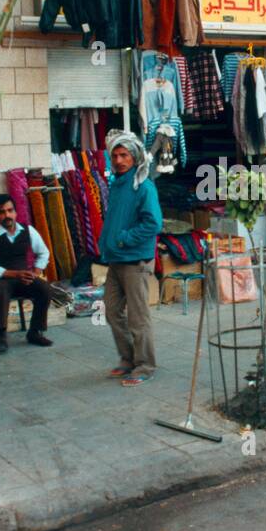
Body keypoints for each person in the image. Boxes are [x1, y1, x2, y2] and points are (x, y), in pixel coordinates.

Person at [99, 131, 163, 386]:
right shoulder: (117, 183)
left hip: (135, 260)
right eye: (115, 155)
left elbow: (153, 223)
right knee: (112, 311)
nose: (119, 159)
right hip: (116, 260)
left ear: (135, 157)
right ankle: (127, 359)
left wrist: (125, 238)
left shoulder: (143, 186)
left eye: (124, 155)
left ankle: (145, 365)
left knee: (138, 317)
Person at [0, 193, 54, 354]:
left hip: (24, 278)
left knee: (45, 289)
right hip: (0, 279)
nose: (7, 215)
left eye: (10, 210)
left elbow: (44, 253)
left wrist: (34, 272)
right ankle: (1, 336)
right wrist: (17, 274)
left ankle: (34, 332)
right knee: (0, 289)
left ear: (15, 212)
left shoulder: (28, 231)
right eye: (2, 212)